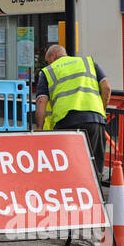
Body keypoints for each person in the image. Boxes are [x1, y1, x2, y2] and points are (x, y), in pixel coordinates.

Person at [33, 44, 113, 176]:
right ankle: (95, 193)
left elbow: (41, 101)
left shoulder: (48, 71)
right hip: (94, 119)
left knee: (67, 165)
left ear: (53, 57)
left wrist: (40, 129)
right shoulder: (88, 63)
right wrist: (101, 109)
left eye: (48, 61)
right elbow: (107, 88)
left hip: (66, 121)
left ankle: (72, 193)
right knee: (94, 165)